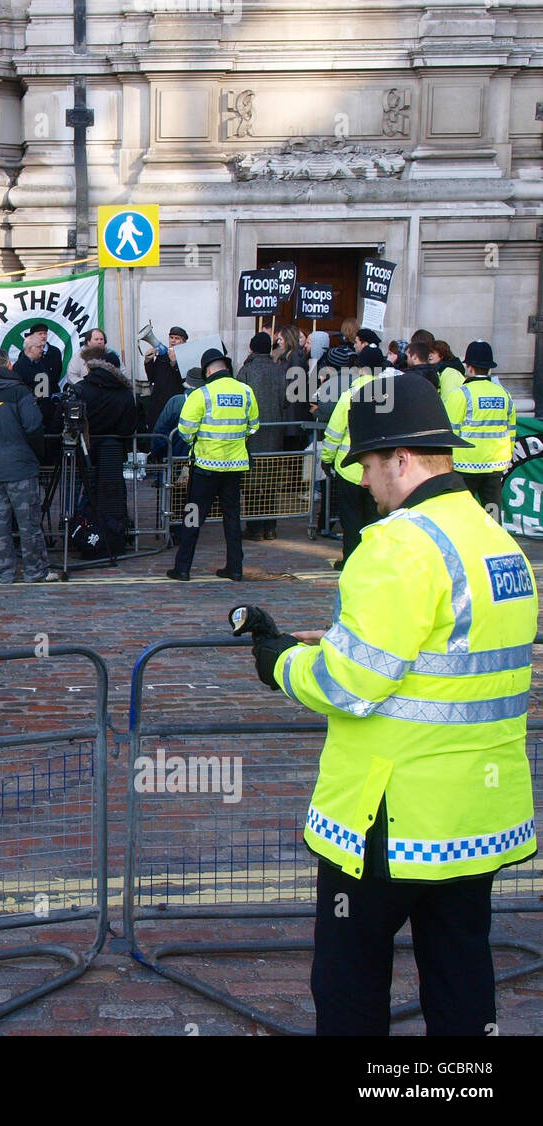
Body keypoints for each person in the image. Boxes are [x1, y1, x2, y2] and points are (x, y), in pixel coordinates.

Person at [237, 372, 536, 1035]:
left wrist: (281, 661)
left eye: (369, 467)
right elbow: (446, 657)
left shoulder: (395, 544)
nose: (364, 483)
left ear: (401, 459)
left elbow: (351, 685)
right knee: (461, 978)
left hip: (386, 819)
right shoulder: (498, 544)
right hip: (473, 817)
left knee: (350, 984)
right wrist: (342, 641)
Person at [0, 349, 59, 583]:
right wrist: (38, 454)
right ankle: (35, 570)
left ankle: (4, 572)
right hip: (21, 466)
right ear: (10, 365)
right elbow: (34, 426)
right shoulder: (19, 391)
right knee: (29, 524)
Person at [166, 347, 259, 583]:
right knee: (232, 519)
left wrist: (198, 442)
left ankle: (183, 567)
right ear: (226, 368)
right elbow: (253, 426)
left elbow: (185, 430)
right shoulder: (246, 392)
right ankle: (235, 568)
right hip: (235, 467)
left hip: (205, 468)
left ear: (208, 370)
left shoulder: (202, 394)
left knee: (193, 517)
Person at [69, 346, 137, 558]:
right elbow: (128, 428)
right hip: (113, 453)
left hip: (86, 449)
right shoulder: (125, 393)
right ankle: (112, 535)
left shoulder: (82, 389)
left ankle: (82, 532)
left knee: (86, 494)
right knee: (114, 496)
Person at [319, 356, 387, 567]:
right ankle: (371, 562)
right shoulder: (388, 398)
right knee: (373, 520)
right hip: (377, 470)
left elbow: (334, 433)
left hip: (349, 469)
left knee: (350, 520)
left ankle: (350, 561)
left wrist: (326, 460)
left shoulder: (348, 396)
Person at [444, 339, 513, 513]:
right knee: (492, 510)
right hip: (495, 464)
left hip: (464, 465)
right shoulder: (505, 394)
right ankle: (494, 539)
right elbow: (511, 431)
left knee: (463, 511)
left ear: (469, 367)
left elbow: (450, 432)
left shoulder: (460, 394)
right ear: (490, 368)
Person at [238, 332, 289, 541]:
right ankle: (270, 527)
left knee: (252, 483)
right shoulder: (279, 370)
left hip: (254, 434)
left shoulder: (246, 370)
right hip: (274, 433)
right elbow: (286, 400)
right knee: (270, 483)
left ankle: (255, 528)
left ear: (251, 348)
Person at [142, 325, 187, 429]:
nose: (173, 341)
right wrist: (148, 362)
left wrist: (174, 363)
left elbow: (183, 380)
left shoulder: (186, 356)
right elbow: (152, 377)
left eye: (177, 338)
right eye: (171, 337)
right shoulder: (163, 355)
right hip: (158, 402)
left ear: (183, 342)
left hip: (174, 401)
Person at [11, 322, 63, 398]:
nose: (43, 336)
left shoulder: (55, 352)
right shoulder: (23, 357)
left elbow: (57, 372)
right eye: (40, 334)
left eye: (45, 333)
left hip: (50, 394)